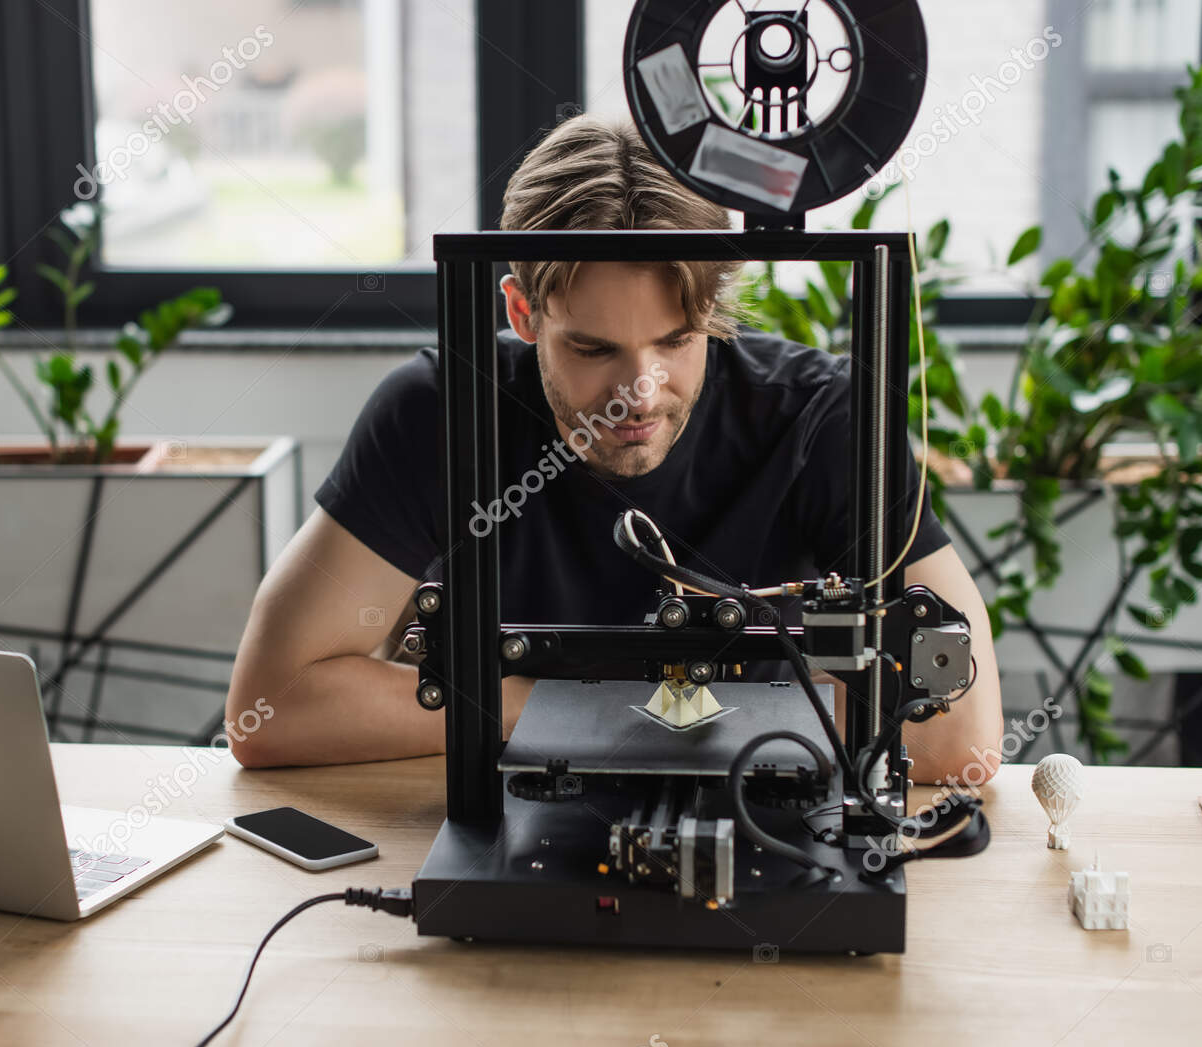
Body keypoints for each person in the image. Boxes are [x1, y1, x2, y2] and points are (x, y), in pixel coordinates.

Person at [225, 116, 1003, 783]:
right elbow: (271, 709)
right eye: (595, 348)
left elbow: (961, 734)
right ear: (523, 312)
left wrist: (611, 718)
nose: (642, 390)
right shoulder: (438, 413)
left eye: (676, 339)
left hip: (758, 822)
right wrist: (594, 711)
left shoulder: (823, 420)